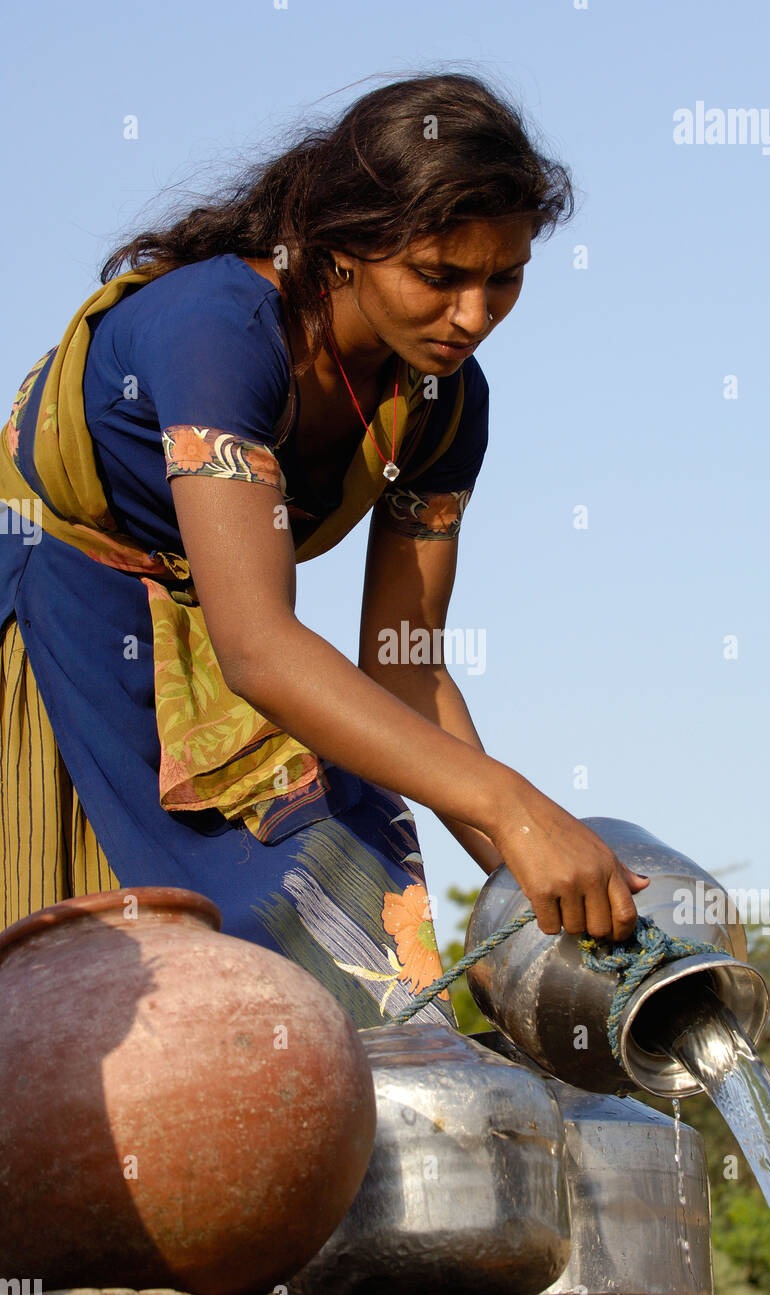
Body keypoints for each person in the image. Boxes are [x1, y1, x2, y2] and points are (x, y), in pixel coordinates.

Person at [0, 72, 649, 1028]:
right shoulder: (217, 331)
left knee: (362, 989)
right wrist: (508, 805)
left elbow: (403, 665)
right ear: (344, 248)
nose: (473, 315)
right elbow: (259, 646)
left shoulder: (444, 403)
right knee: (109, 1022)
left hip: (229, 666)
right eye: (439, 276)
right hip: (61, 635)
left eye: (501, 277)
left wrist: (527, 867)